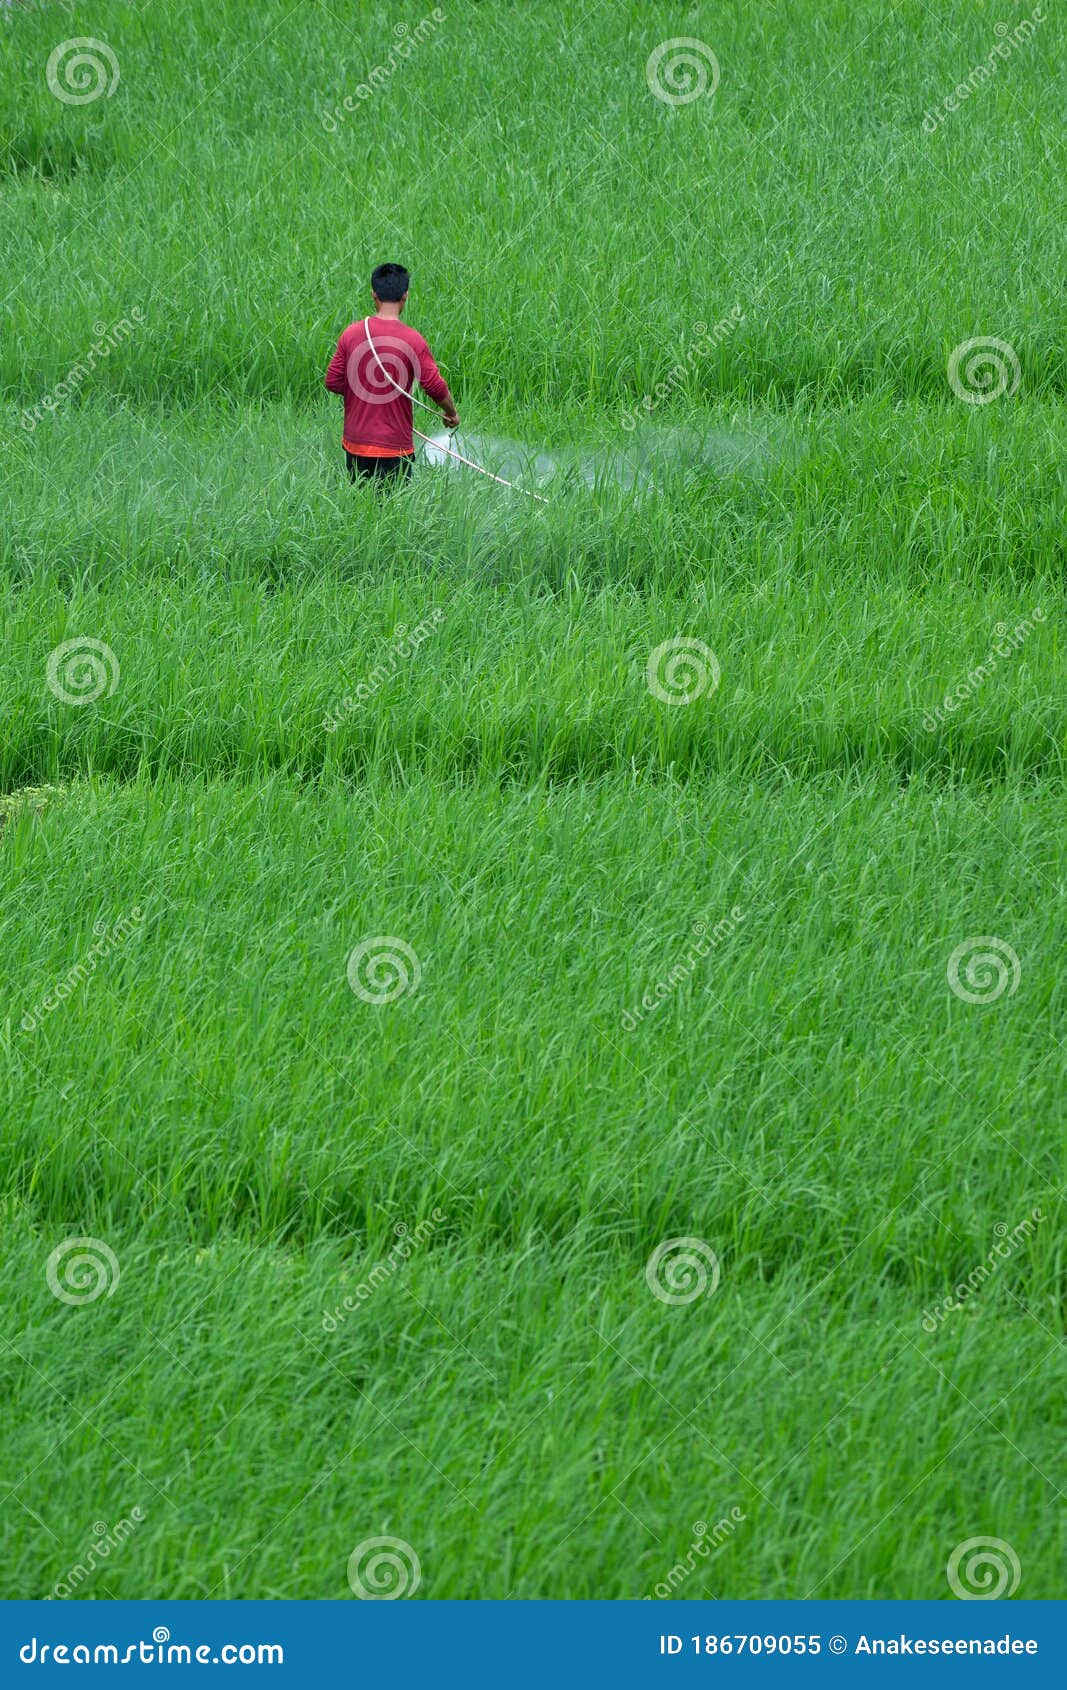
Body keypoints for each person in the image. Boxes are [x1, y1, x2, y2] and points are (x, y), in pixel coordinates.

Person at [324, 263, 459, 485]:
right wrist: (451, 413)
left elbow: (332, 381)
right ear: (405, 296)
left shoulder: (351, 334)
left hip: (356, 445)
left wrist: (362, 390)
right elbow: (434, 386)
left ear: (373, 295)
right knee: (393, 509)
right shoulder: (413, 340)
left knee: (359, 508)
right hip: (396, 448)